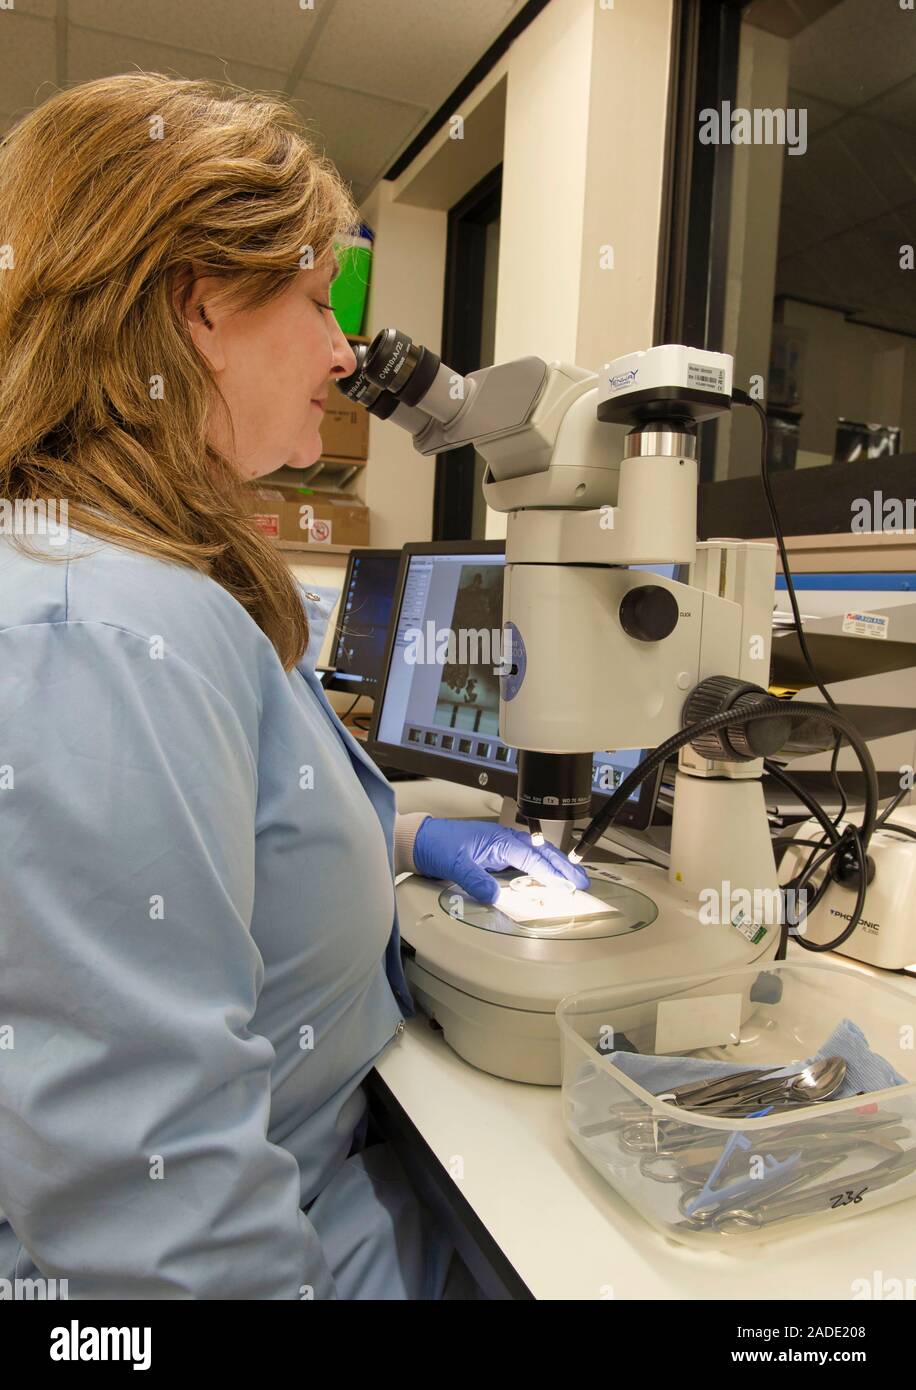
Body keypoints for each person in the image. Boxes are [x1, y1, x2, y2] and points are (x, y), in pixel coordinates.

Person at [0, 73, 587, 1300]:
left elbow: (209, 854)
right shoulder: (102, 627)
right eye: (319, 300)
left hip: (335, 1184)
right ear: (197, 302)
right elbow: (157, 1218)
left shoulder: (139, 572)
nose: (341, 350)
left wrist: (410, 834)